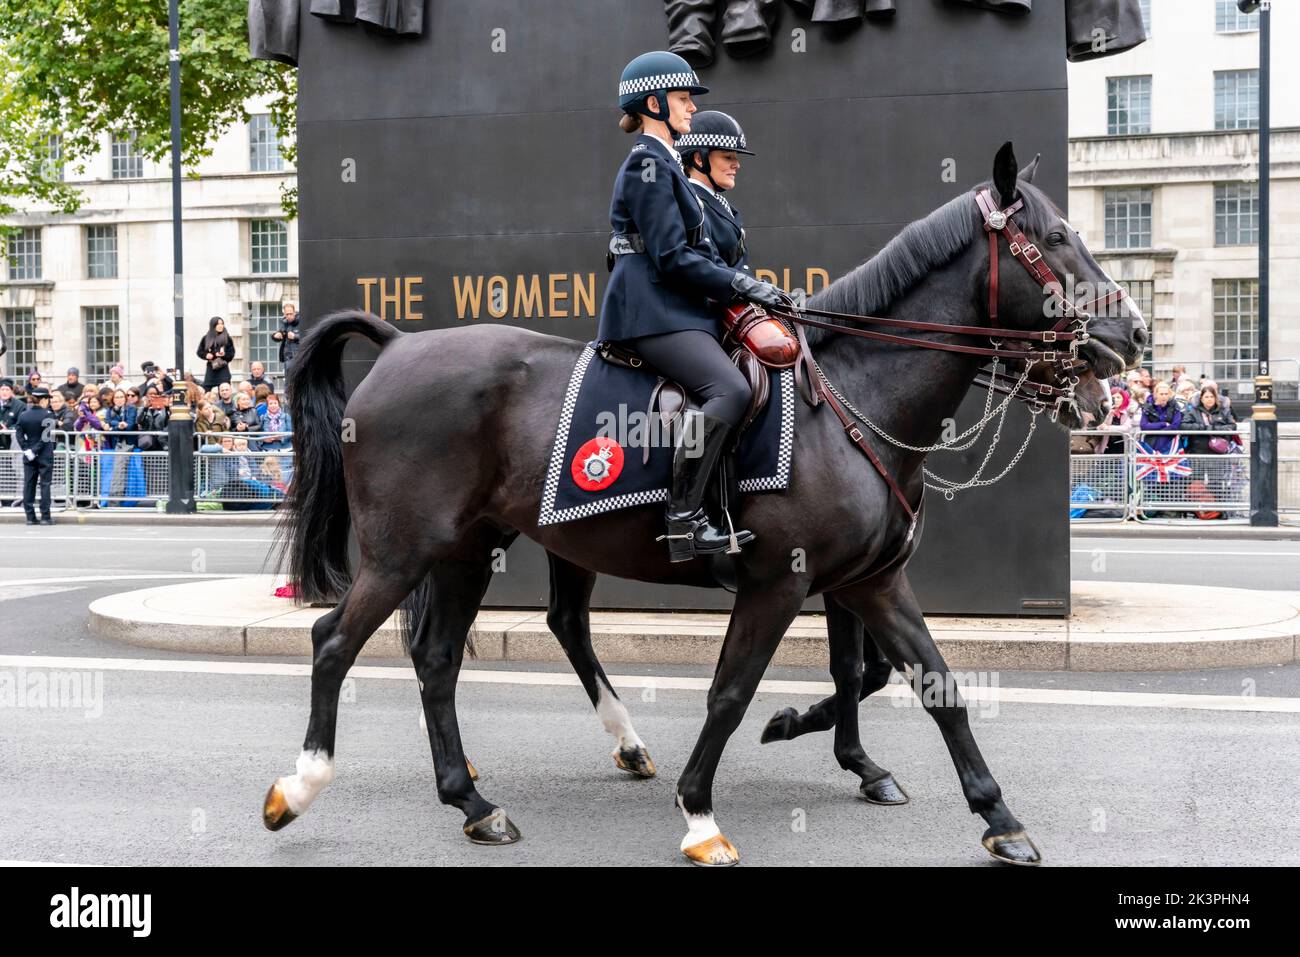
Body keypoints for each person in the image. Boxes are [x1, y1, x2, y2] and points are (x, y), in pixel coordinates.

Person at [599, 51, 789, 561]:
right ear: (655, 102)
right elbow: (671, 257)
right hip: (652, 313)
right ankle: (683, 521)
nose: (690, 108)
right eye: (683, 99)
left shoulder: (667, 164)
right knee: (728, 389)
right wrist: (745, 286)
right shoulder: (647, 163)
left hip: (676, 308)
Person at [677, 110, 754, 272]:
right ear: (699, 159)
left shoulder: (716, 203)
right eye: (727, 157)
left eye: (735, 157)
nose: (736, 165)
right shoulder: (690, 203)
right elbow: (706, 269)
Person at [15, 387, 56, 525]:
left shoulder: (24, 415)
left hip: (29, 455)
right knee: (45, 484)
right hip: (44, 454)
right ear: (43, 399)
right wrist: (35, 450)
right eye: (48, 399)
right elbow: (46, 437)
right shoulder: (48, 415)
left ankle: (30, 517)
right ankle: (45, 516)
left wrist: (27, 449)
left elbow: (19, 434)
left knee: (29, 484)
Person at [1139, 380, 1182, 454]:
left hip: (1170, 442)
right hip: (1151, 442)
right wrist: (1163, 424)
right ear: (1156, 394)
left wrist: (1157, 431)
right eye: (1161, 394)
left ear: (1169, 394)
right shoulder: (1148, 406)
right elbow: (1144, 426)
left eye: (1166, 394)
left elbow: (1175, 425)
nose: (1164, 396)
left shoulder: (1174, 405)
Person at [196, 316, 236, 390]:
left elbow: (231, 354)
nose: (221, 326)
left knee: (224, 389)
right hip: (211, 367)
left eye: (222, 324)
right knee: (206, 389)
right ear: (213, 325)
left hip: (223, 368)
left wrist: (224, 355)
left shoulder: (227, 338)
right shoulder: (206, 338)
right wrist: (206, 355)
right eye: (218, 324)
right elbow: (199, 352)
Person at [271, 302, 301, 384]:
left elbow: (307, 336)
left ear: (295, 312)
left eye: (291, 314)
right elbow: (281, 333)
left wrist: (295, 336)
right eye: (287, 314)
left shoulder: (301, 321)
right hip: (287, 357)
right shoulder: (283, 322)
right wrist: (276, 335)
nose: (289, 316)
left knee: (299, 381)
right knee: (288, 383)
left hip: (299, 356)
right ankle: (288, 396)